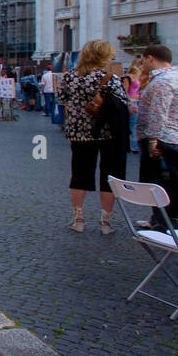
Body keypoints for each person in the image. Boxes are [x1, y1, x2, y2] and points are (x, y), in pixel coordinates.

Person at [56, 39, 128, 234]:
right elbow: (123, 104)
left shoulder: (70, 77)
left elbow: (61, 100)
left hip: (80, 133)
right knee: (108, 175)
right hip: (107, 132)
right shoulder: (109, 78)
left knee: (80, 174)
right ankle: (105, 222)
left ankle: (78, 219)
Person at [135, 44, 178, 232]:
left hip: (161, 139)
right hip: (174, 134)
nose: (142, 64)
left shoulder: (162, 82)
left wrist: (153, 140)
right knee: (165, 181)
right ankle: (158, 219)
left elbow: (158, 113)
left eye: (143, 60)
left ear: (150, 58)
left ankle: (163, 224)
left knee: (160, 182)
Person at [124, 67, 142, 154]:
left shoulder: (137, 76)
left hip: (136, 101)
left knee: (134, 124)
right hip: (132, 102)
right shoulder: (128, 77)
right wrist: (130, 100)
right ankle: (133, 146)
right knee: (133, 124)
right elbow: (125, 91)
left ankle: (133, 145)